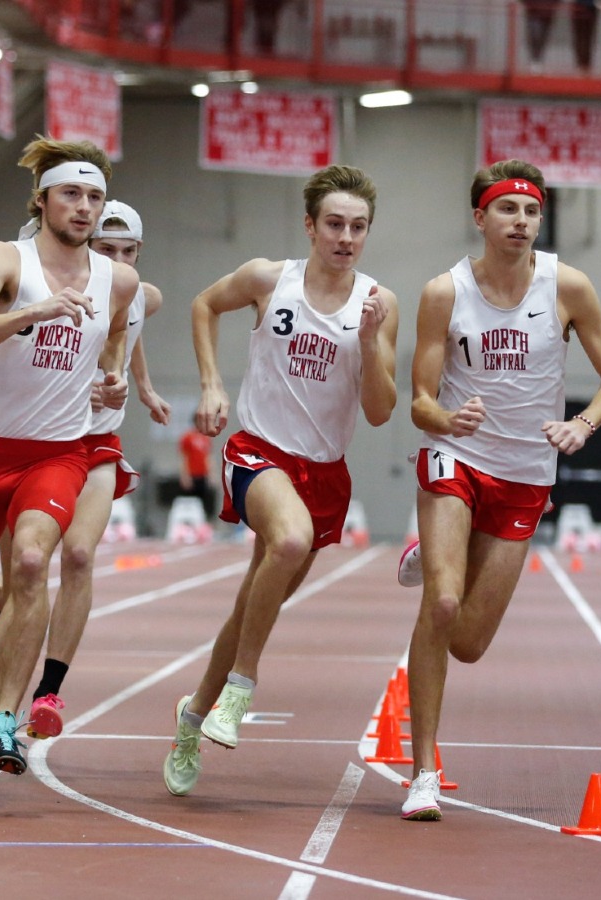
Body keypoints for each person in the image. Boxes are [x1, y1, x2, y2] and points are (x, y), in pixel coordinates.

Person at [394, 159, 601, 821]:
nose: (520, 222)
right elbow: (418, 402)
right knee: (442, 605)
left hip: (526, 474)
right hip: (456, 459)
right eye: (506, 210)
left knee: (468, 641)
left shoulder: (567, 286)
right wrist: (448, 418)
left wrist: (583, 424)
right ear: (480, 217)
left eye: (530, 212)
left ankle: (439, 553)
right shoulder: (445, 292)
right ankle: (423, 773)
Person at [162, 165, 398, 798]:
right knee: (289, 542)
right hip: (257, 452)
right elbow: (204, 304)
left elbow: (379, 411)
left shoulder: (379, 303)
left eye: (358, 227)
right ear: (310, 226)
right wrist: (212, 381)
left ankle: (192, 715)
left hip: (324, 473)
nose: (346, 237)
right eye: (334, 225)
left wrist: (372, 344)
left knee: (250, 608)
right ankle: (240, 689)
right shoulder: (271, 279)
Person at [0, 137, 137, 776]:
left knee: (34, 560)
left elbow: (116, 331)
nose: (84, 207)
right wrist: (34, 311)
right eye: (71, 193)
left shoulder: (117, 279)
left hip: (58, 454)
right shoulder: (5, 259)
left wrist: (114, 376)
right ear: (41, 200)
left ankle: (3, 721)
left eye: (95, 197)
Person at [0, 200, 171, 741]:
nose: (118, 262)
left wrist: (140, 387)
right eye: (107, 250)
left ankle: (49, 689)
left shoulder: (135, 292)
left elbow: (127, 335)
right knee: (26, 568)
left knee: (79, 554)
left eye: (129, 253)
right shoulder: (51, 284)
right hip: (42, 442)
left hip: (97, 442)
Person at [177, 410, 217, 518]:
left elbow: (208, 457)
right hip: (192, 475)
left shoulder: (206, 438)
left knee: (204, 503)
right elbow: (184, 457)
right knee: (191, 503)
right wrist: (185, 476)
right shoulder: (187, 437)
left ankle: (204, 525)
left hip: (203, 475)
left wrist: (211, 475)